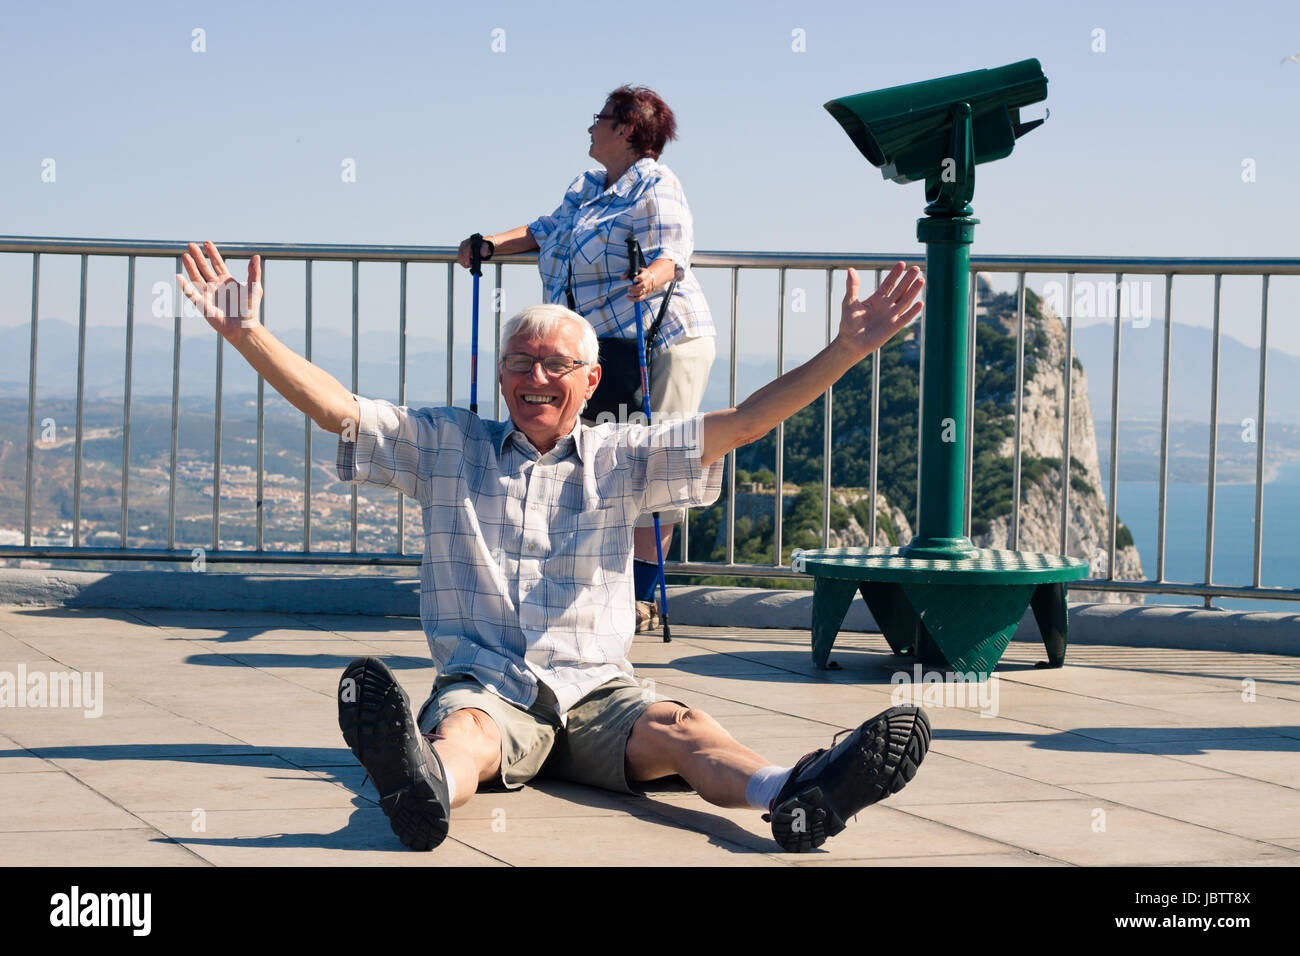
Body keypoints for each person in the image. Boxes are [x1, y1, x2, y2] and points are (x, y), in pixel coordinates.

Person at [176, 240, 929, 855]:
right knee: (464, 733)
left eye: (556, 366)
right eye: (519, 364)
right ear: (500, 375)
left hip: (599, 692)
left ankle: (797, 793)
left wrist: (845, 350)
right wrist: (247, 333)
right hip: (490, 688)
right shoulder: (446, 445)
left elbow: (745, 423)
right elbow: (338, 409)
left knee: (683, 729)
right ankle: (420, 784)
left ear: (591, 379)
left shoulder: (623, 456)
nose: (535, 379)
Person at [458, 85, 714, 632]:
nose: (589, 128)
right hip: (601, 352)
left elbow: (675, 250)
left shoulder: (654, 182)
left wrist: (653, 277)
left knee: (656, 462)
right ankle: (600, 586)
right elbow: (543, 232)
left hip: (661, 343)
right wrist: (488, 245)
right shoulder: (589, 187)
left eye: (599, 119)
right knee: (599, 462)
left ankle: (645, 599)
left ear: (625, 128)